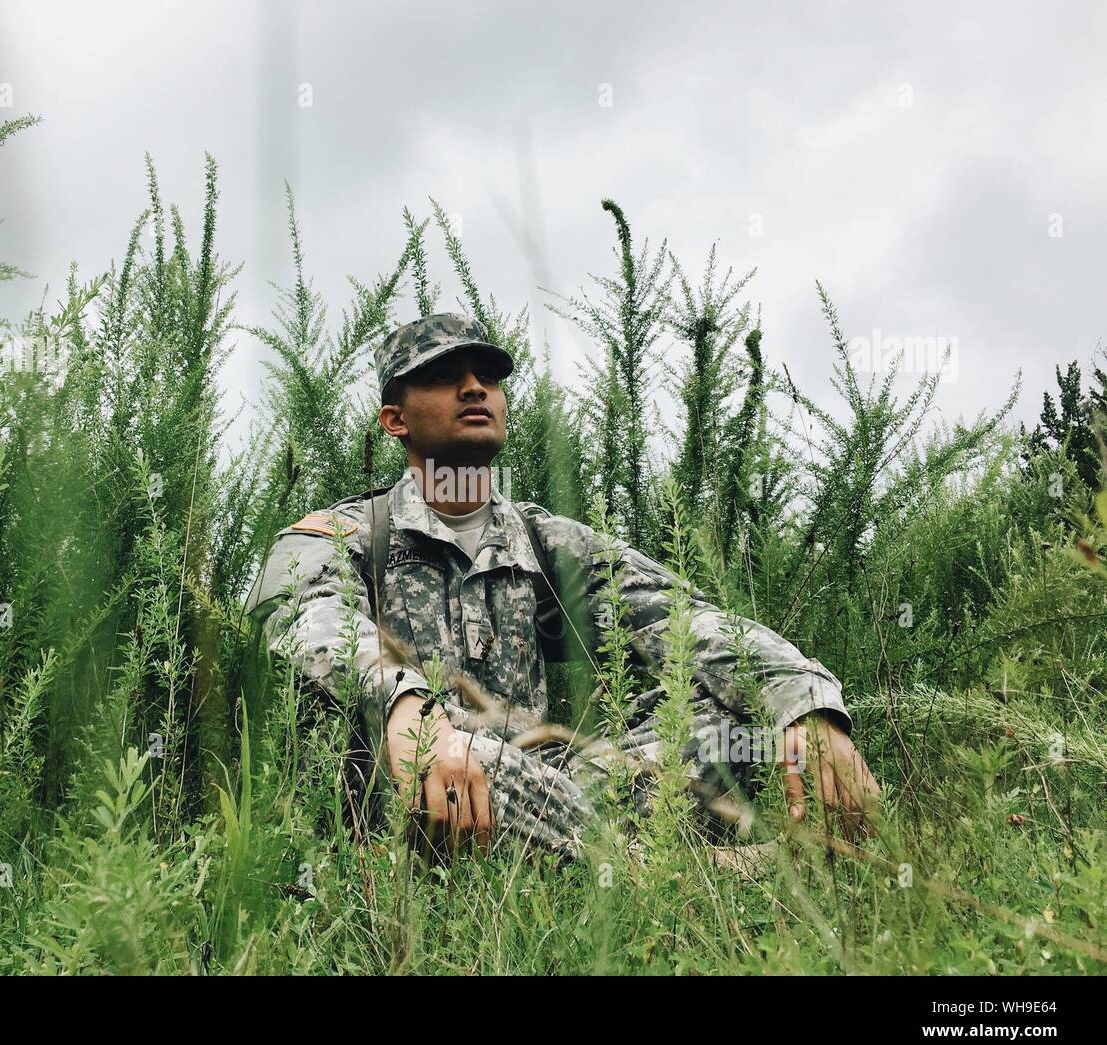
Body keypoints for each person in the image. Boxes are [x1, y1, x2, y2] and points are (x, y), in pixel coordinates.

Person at [246, 312, 881, 859]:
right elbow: (304, 611)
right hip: (409, 799)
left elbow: (687, 623)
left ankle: (595, 863)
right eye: (444, 377)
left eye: (487, 378)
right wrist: (411, 712)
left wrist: (810, 708)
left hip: (543, 792)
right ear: (394, 419)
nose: (474, 389)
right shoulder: (347, 533)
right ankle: (671, 875)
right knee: (463, 758)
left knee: (718, 718)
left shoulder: (548, 542)